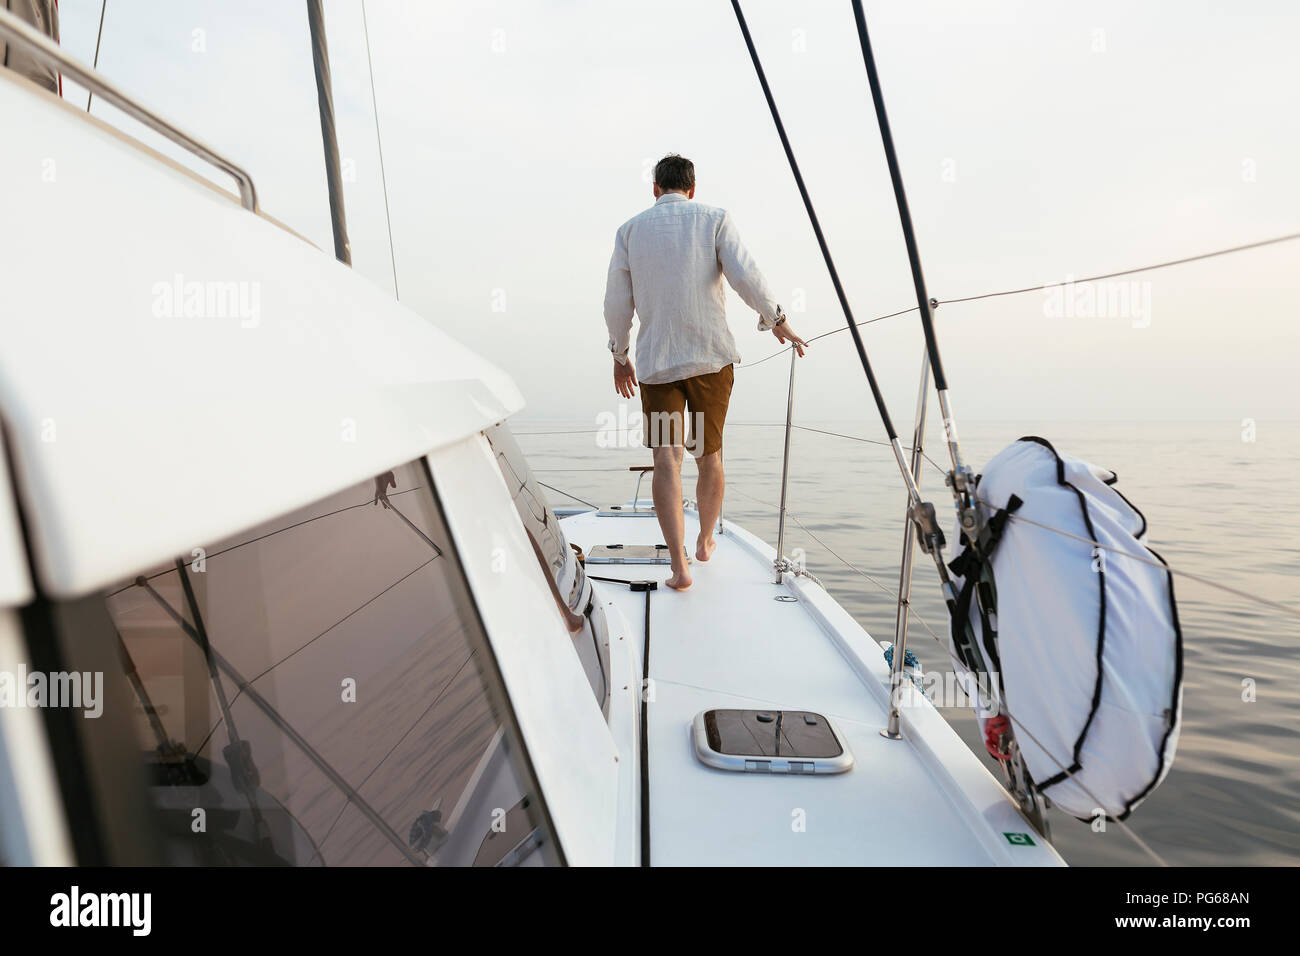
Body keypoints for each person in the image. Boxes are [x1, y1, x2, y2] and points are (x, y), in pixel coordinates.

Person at [603, 153, 807, 590]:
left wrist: (620, 356)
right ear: (692, 188)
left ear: (656, 188)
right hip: (711, 360)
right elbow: (745, 275)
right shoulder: (714, 219)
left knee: (666, 460)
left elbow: (617, 303)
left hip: (658, 365)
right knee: (709, 456)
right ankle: (705, 540)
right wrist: (777, 321)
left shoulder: (630, 231)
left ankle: (679, 567)